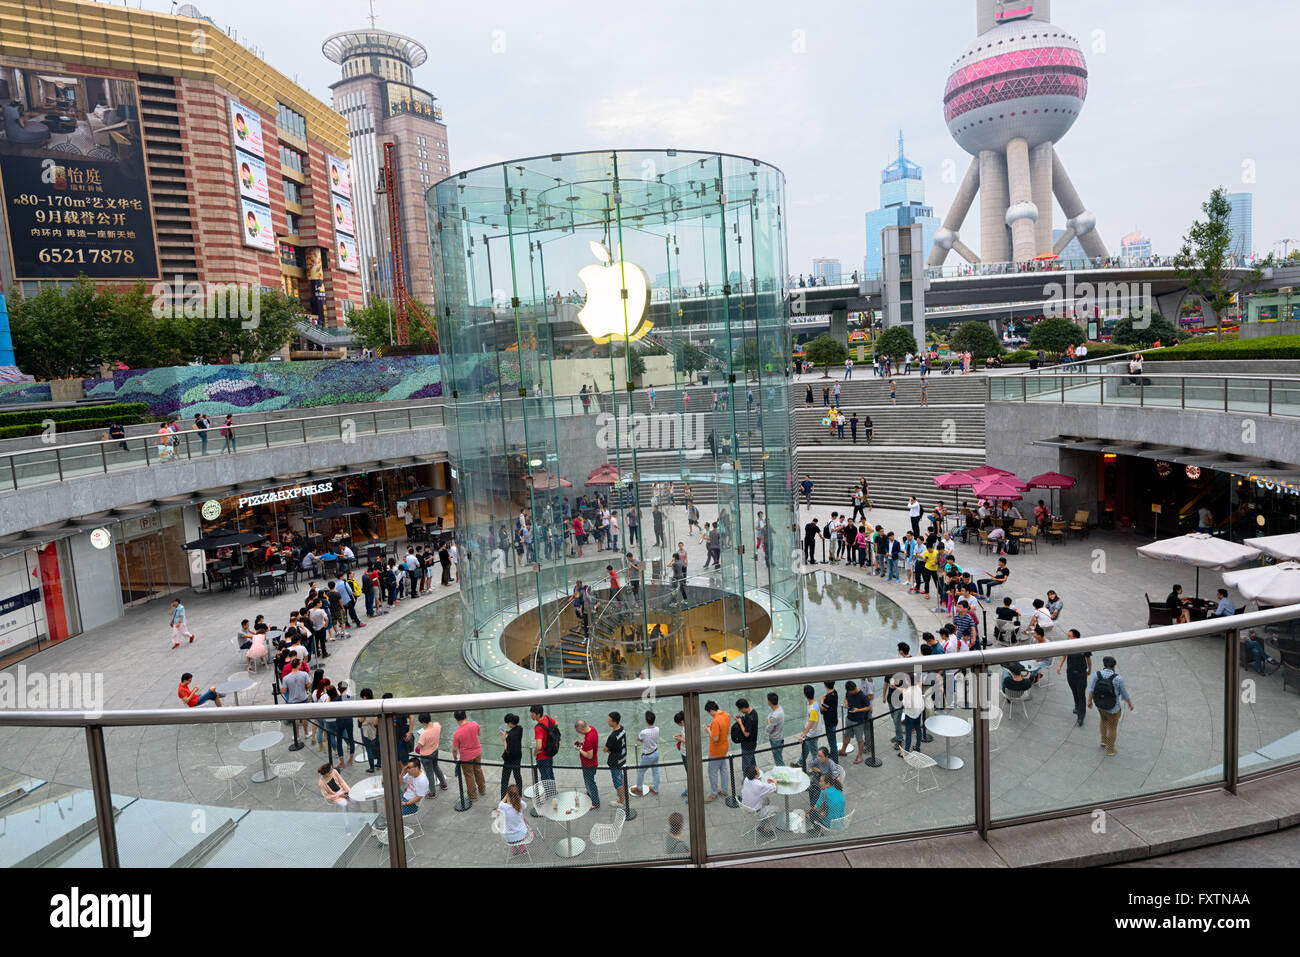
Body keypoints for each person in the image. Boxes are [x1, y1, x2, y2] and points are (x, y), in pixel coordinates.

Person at [1088, 655, 1134, 756]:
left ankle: (1103, 741)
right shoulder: (1118, 679)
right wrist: (1130, 704)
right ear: (1114, 666)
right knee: (1112, 728)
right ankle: (1110, 749)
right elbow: (1124, 693)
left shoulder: (1097, 675)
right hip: (1113, 708)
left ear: (1104, 665)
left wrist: (1089, 701)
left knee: (1103, 720)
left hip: (1099, 705)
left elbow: (1091, 689)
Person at [1055, 628, 1092, 726]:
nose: (1068, 638)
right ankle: (1077, 706)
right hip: (1070, 673)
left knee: (1081, 694)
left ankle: (1081, 716)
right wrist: (1059, 666)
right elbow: (1063, 655)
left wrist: (1090, 669)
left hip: (1081, 674)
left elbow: (1088, 659)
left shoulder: (1084, 645)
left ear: (1076, 637)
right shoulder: (1067, 645)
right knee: (1074, 691)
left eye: (1070, 636)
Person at [451, 710, 486, 805]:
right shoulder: (475, 724)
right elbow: (479, 734)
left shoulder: (457, 733)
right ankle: (482, 790)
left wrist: (455, 759)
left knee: (469, 776)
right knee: (478, 770)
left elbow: (454, 749)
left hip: (466, 757)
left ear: (456, 719)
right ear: (465, 716)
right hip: (478, 752)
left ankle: (473, 796)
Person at [740, 764, 778, 838]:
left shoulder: (746, 779)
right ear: (756, 776)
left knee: (766, 800)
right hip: (755, 810)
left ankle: (763, 820)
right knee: (777, 809)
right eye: (757, 770)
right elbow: (774, 787)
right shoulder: (759, 786)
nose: (758, 770)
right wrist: (774, 781)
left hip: (745, 806)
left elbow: (758, 785)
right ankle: (765, 829)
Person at [704, 700, 731, 801]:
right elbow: (723, 729)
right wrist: (712, 728)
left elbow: (715, 738)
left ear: (711, 710)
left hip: (716, 750)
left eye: (708, 712)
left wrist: (708, 730)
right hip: (724, 747)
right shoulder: (726, 715)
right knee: (723, 769)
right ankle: (724, 790)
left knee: (712, 771)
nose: (709, 714)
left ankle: (713, 793)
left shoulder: (715, 720)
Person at [574, 719, 602, 808]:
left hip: (589, 765)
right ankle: (589, 793)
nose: (580, 733)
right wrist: (582, 744)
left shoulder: (589, 739)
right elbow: (589, 746)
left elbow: (589, 755)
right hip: (593, 763)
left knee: (590, 783)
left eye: (579, 732)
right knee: (588, 781)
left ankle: (595, 803)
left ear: (582, 729)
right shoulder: (592, 729)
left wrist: (579, 749)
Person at [632, 710, 660, 796]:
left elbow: (639, 739)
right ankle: (656, 788)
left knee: (640, 772)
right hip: (655, 752)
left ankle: (639, 788)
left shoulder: (643, 732)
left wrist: (641, 740)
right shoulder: (657, 729)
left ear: (646, 721)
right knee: (655, 772)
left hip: (647, 756)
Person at [843, 679, 871, 763]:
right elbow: (846, 698)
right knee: (846, 735)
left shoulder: (862, 695)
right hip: (849, 718)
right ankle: (843, 750)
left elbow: (869, 707)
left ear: (854, 689)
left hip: (858, 721)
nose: (850, 693)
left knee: (859, 739)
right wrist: (846, 703)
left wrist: (858, 710)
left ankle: (860, 756)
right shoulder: (848, 692)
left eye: (851, 691)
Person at [796, 684, 824, 768]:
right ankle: (800, 762)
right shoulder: (813, 703)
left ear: (805, 694)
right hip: (812, 732)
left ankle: (818, 770)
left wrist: (803, 735)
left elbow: (811, 723)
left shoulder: (813, 709)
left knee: (815, 753)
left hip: (812, 734)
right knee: (805, 748)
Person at [531, 704, 560, 783]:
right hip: (550, 751)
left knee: (545, 778)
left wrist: (535, 752)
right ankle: (553, 793)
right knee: (550, 774)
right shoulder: (547, 718)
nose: (531, 715)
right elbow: (556, 724)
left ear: (538, 714)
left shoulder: (538, 727)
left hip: (542, 756)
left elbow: (539, 746)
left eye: (532, 714)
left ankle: (549, 794)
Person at [498, 783, 530, 851]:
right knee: (523, 822)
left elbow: (500, 804)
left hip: (509, 836)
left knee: (507, 827)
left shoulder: (504, 807)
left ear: (508, 795)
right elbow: (525, 806)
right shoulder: (521, 803)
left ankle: (514, 849)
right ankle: (522, 848)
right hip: (521, 834)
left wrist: (506, 795)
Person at [499, 712, 524, 799]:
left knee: (505, 779)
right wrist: (508, 732)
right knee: (517, 776)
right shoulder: (520, 729)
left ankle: (503, 798)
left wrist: (504, 739)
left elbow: (507, 749)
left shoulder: (510, 737)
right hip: (518, 757)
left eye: (507, 723)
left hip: (509, 759)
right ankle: (519, 794)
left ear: (510, 723)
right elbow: (515, 733)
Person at [732, 698, 759, 776]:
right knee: (752, 763)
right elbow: (749, 725)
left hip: (747, 745)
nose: (740, 711)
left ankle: (747, 783)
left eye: (740, 709)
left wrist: (740, 723)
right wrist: (741, 719)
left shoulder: (749, 717)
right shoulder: (753, 712)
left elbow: (746, 734)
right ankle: (756, 778)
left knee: (746, 767)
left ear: (743, 708)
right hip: (753, 743)